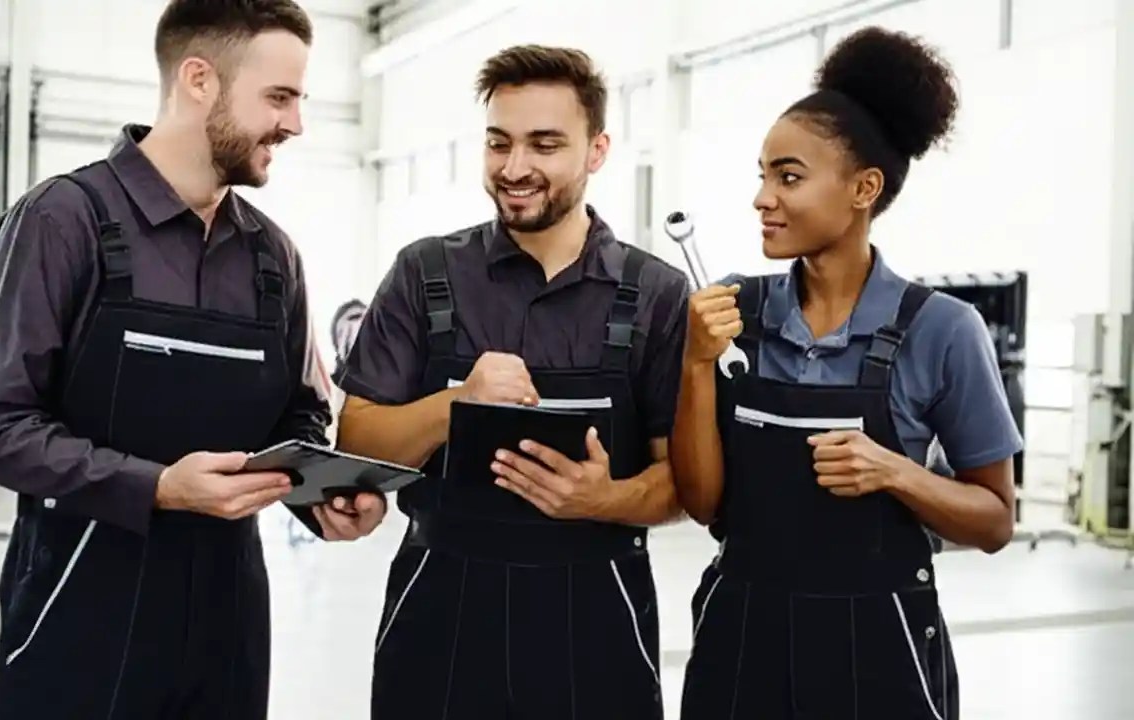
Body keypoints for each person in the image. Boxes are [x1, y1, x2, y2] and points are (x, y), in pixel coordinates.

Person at [0, 2, 386, 718]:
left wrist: (325, 499)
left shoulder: (273, 256)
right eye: (278, 98)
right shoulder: (62, 222)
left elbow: (301, 413)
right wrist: (159, 487)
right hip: (79, 601)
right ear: (199, 80)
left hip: (228, 616)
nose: (296, 124)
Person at [672, 27, 1022, 720]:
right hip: (743, 636)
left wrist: (894, 472)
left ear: (864, 188)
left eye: (789, 177)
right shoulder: (736, 310)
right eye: (763, 174)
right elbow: (705, 505)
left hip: (881, 643)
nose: (762, 198)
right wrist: (694, 364)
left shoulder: (943, 330)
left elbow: (995, 522)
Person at [333, 45, 691, 720]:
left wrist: (604, 498)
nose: (514, 168)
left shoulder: (655, 296)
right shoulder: (423, 274)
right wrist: (454, 404)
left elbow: (686, 484)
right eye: (499, 144)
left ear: (597, 150)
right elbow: (356, 443)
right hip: (442, 611)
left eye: (544, 145)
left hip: (598, 617)